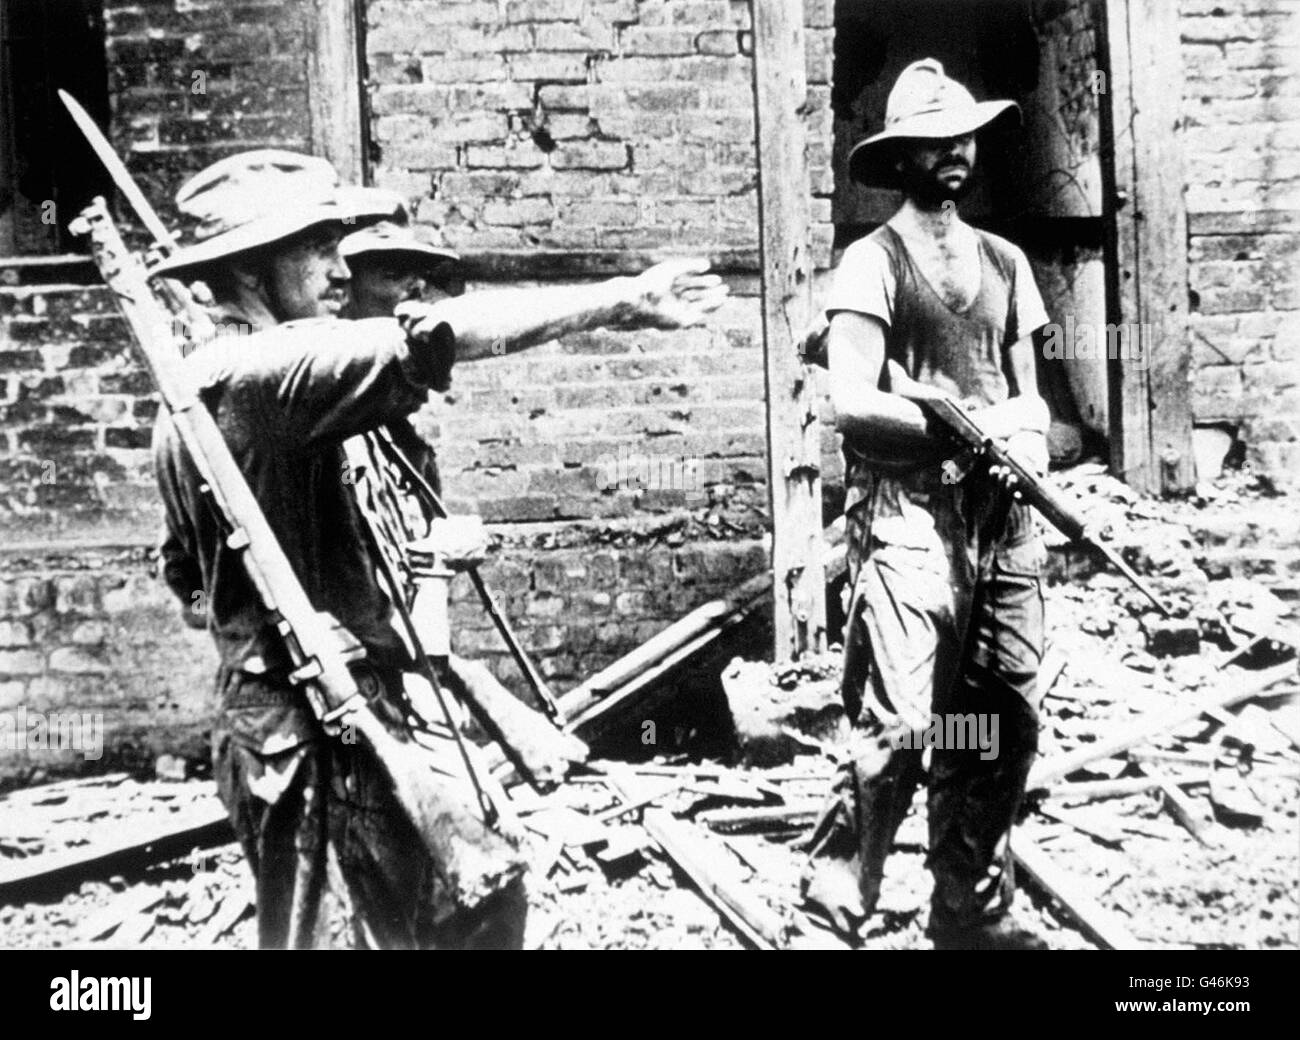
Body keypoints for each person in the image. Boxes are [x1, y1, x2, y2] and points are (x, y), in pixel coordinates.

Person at [148, 149, 726, 948]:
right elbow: (436, 339)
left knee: (467, 899)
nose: (339, 266)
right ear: (248, 270)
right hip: (306, 723)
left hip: (326, 703)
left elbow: (185, 584)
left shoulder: (200, 388)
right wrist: (622, 299)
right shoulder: (261, 373)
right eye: (315, 246)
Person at [801, 59, 1053, 950]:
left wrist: (1019, 433)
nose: (954, 153)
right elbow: (852, 401)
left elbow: (1033, 399)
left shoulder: (1007, 262)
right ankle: (835, 905)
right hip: (909, 517)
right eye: (933, 143)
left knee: (1000, 716)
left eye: (965, 137)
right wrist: (952, 428)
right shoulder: (870, 264)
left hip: (1003, 521)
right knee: (903, 724)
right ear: (900, 159)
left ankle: (969, 908)